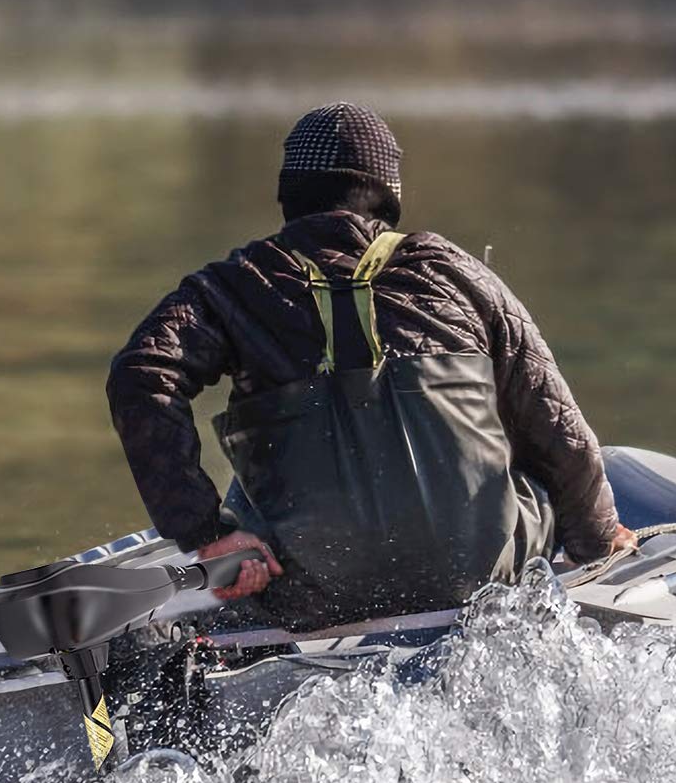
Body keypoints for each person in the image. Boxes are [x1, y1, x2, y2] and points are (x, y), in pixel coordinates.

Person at [107, 102, 634, 629]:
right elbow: (556, 423)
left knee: (247, 486)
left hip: (310, 593)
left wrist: (208, 534)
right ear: (389, 193)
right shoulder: (453, 272)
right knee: (519, 441)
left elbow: (141, 376)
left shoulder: (235, 285)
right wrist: (597, 540)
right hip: (480, 575)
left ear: (288, 195)